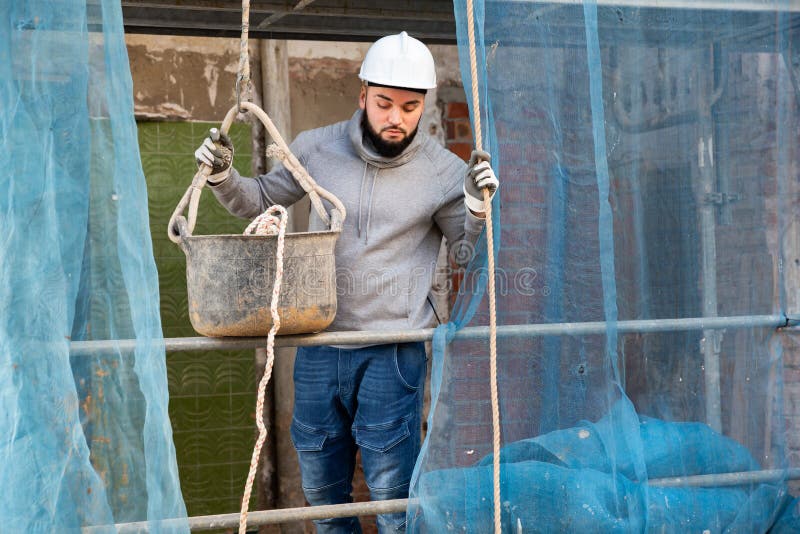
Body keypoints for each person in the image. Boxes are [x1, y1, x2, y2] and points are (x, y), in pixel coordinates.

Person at [195, 31, 499, 534]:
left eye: (409, 106)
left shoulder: (445, 171)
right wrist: (223, 177)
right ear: (362, 96)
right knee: (322, 498)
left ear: (422, 106)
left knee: (390, 497)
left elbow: (468, 251)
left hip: (393, 350)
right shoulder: (316, 149)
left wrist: (475, 207)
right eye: (384, 103)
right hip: (318, 342)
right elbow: (261, 199)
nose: (396, 118)